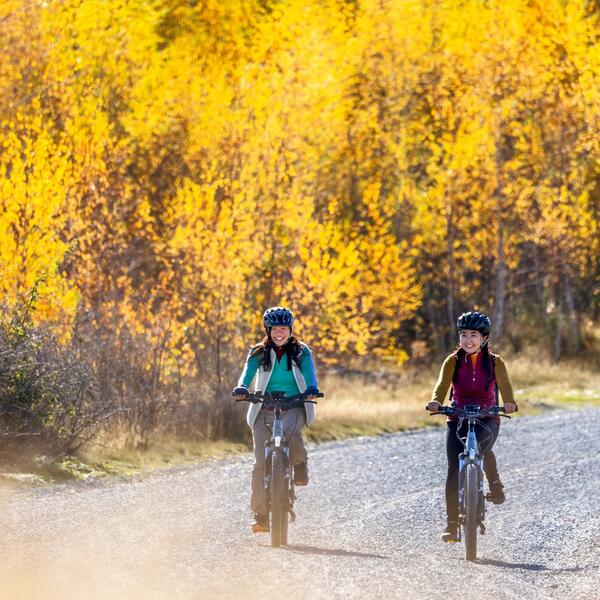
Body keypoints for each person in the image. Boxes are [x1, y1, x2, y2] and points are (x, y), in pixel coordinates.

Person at [427, 311, 518, 543]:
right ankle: (451, 524)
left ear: (484, 338)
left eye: (474, 335)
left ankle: (494, 484)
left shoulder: (496, 362)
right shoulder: (453, 360)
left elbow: (505, 386)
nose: (468, 340)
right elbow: (442, 384)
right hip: (457, 414)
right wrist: (437, 401)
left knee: (482, 449)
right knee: (452, 469)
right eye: (464, 334)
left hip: (487, 416)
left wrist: (508, 402)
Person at [232, 306, 320, 533]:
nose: (279, 333)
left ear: (290, 329)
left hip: (294, 404)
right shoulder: (258, 352)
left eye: (283, 328)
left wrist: (312, 388)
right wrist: (242, 387)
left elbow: (309, 371)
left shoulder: (301, 351)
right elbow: (247, 372)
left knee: (291, 433)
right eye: (275, 329)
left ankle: (299, 463)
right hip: (264, 406)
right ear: (267, 330)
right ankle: (260, 515)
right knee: (260, 463)